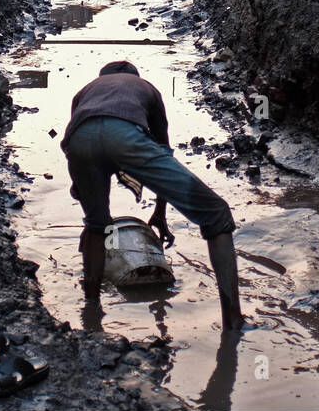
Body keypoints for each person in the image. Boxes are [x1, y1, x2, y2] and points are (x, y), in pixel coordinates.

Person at [61, 61, 242, 330]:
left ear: (103, 78)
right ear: (134, 76)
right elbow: (162, 150)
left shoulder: (85, 91)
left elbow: (79, 138)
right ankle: (234, 320)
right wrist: (160, 211)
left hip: (78, 142)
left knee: (96, 225)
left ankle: (91, 311)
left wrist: (84, 191)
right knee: (216, 213)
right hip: (124, 136)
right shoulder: (146, 88)